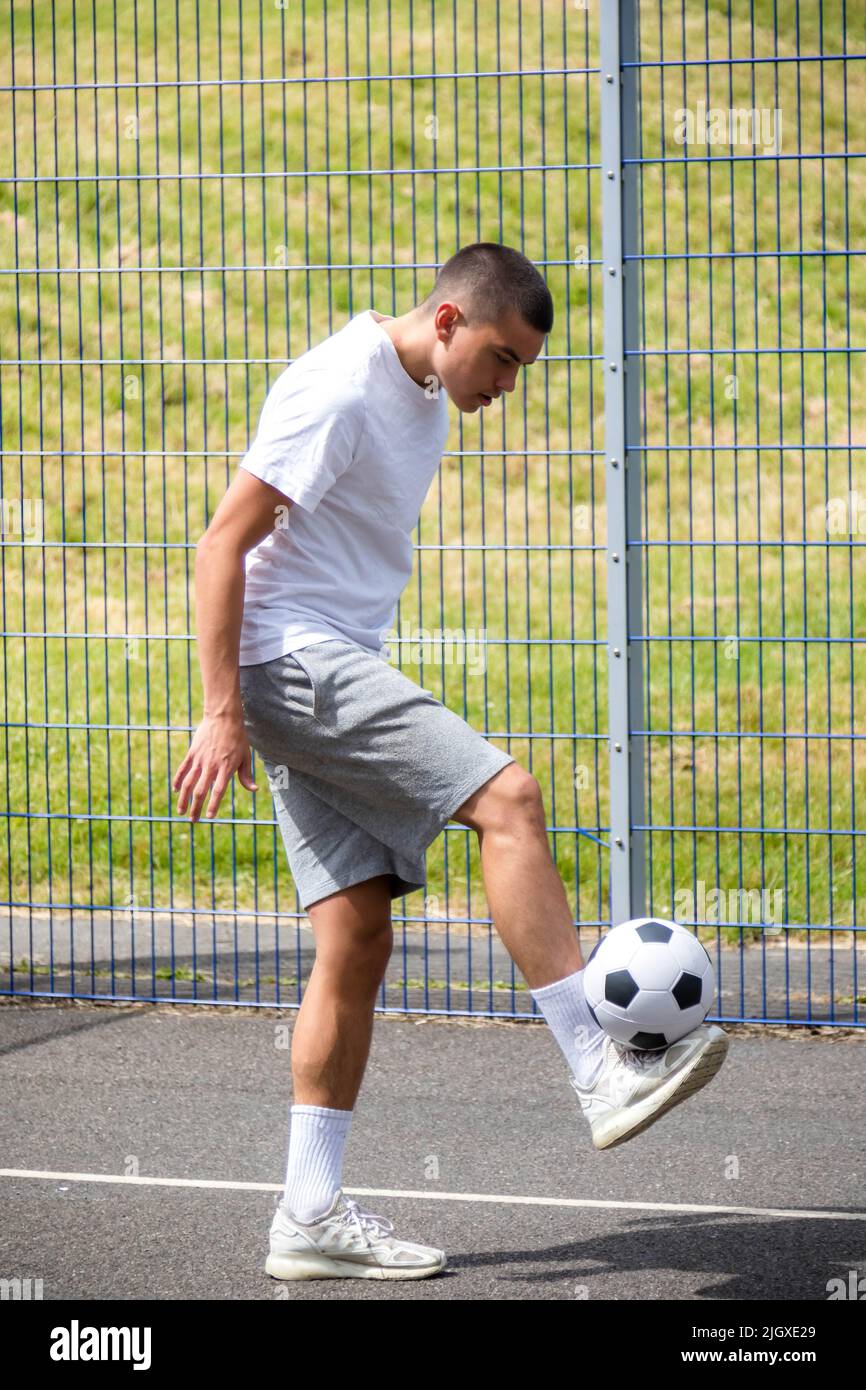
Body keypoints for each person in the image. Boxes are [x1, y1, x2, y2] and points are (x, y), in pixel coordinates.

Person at [171, 242, 729, 1283]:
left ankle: (307, 1210)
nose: (506, 385)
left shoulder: (421, 395)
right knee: (507, 798)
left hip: (311, 664)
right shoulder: (339, 389)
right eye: (502, 358)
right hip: (289, 663)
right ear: (445, 322)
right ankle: (595, 1068)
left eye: (521, 367)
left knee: (354, 933)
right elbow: (220, 543)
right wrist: (219, 712)